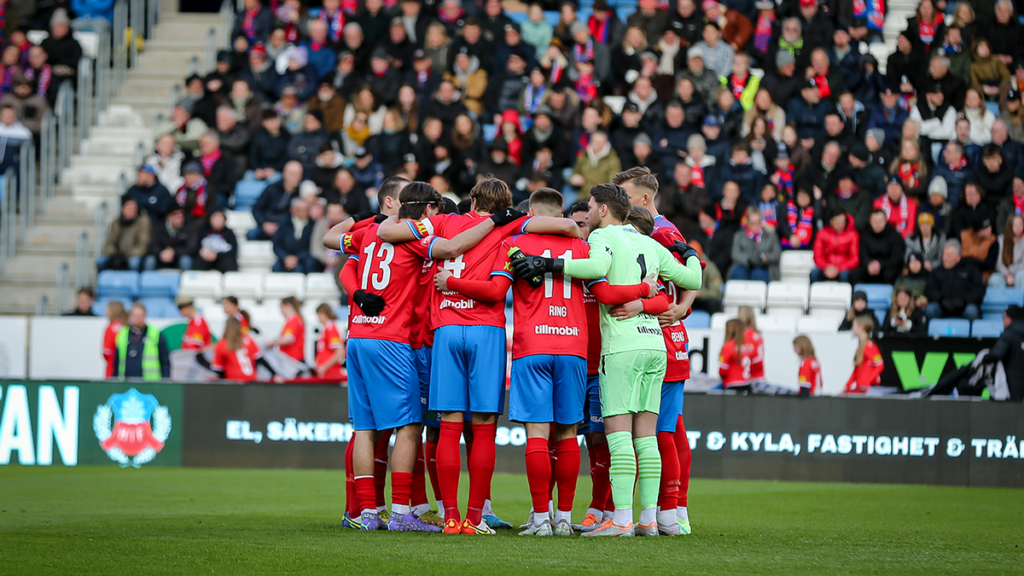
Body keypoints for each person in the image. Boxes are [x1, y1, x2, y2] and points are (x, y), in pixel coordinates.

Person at [373, 178, 581, 534]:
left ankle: (450, 517)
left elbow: (385, 233)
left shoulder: (442, 221)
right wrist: (512, 219)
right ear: (507, 205)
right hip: (487, 332)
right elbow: (568, 225)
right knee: (483, 429)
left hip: (447, 331)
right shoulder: (511, 226)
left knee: (450, 427)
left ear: (472, 199)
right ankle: (475, 518)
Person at [509, 183, 702, 538]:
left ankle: (621, 519)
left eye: (593, 206)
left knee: (618, 436)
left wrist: (548, 263)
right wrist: (685, 252)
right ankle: (651, 519)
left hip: (622, 347)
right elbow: (693, 278)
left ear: (601, 210)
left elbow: (596, 269)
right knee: (647, 437)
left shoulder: (602, 239)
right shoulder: (649, 242)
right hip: (654, 345)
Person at [337, 181, 530, 533]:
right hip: (400, 339)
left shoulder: (370, 233)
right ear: (428, 209)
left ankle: (365, 512)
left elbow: (333, 240)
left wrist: (356, 290)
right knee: (418, 426)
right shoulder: (417, 238)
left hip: (359, 334)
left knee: (366, 428)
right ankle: (406, 512)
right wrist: (499, 220)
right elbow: (454, 246)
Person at [433, 189, 611, 537]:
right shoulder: (582, 247)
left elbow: (497, 287)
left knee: (536, 437)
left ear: (529, 211)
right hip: (574, 346)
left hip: (532, 345)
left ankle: (539, 518)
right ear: (560, 214)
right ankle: (563, 517)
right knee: (568, 436)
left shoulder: (515, 242)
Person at [615, 168, 697, 536]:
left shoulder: (659, 230)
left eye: (625, 196)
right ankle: (672, 510)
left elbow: (694, 270)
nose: (619, 203)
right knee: (670, 429)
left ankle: (668, 509)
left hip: (659, 335)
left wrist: (682, 308)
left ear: (644, 199)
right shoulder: (650, 229)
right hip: (658, 335)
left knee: (661, 431)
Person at [924, 240, 986, 320]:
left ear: (958, 257)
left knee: (972, 311)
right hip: (942, 307)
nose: (944, 259)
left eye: (948, 256)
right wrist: (941, 300)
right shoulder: (937, 271)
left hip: (965, 307)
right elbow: (929, 289)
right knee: (931, 309)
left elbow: (979, 289)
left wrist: (965, 301)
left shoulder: (971, 269)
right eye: (944, 255)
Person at [111, 303, 171, 381]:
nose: (138, 319)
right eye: (135, 315)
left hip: (150, 383)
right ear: (130, 316)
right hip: (125, 383)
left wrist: (165, 381)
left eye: (141, 316)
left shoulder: (155, 334)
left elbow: (165, 361)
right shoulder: (122, 334)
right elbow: (116, 361)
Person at [979, 304, 1024, 401]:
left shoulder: (1009, 334)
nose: (1003, 320)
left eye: (1004, 317)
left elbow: (996, 354)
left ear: (1010, 319)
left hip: (1011, 388)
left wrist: (983, 357)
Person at [851, 209, 907, 285]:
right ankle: (859, 296)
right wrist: (868, 264)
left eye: (881, 221)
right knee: (856, 273)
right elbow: (862, 254)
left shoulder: (895, 235)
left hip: (887, 267)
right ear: (870, 221)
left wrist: (880, 264)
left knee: (890, 274)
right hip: (869, 267)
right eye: (874, 221)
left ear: (886, 221)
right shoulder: (864, 234)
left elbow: (896, 258)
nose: (878, 224)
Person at [98, 197, 150, 272]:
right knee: (101, 261)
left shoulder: (143, 222)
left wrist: (126, 256)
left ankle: (132, 283)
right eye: (129, 208)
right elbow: (109, 244)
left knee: (134, 262)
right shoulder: (116, 223)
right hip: (117, 255)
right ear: (123, 209)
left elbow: (143, 246)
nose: (133, 210)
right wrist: (114, 255)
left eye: (134, 208)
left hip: (133, 256)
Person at [729, 207, 780, 281]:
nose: (756, 225)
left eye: (758, 222)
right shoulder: (739, 236)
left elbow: (776, 254)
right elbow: (735, 254)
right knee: (739, 273)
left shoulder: (771, 236)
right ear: (748, 223)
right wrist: (749, 259)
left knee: (758, 274)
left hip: (766, 268)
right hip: (744, 265)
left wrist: (764, 258)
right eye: (753, 223)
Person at [272, 197, 321, 273]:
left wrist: (297, 258)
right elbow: (277, 245)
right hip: (285, 259)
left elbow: (312, 246)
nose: (303, 212)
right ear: (293, 210)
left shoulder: (313, 225)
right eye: (300, 210)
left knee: (306, 267)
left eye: (305, 210)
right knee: (276, 268)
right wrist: (286, 257)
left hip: (304, 259)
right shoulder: (284, 223)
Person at [811, 207, 859, 282]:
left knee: (845, 275)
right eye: (837, 222)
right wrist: (827, 267)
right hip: (826, 268)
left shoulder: (853, 234)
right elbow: (817, 256)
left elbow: (854, 259)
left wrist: (838, 268)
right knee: (814, 274)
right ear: (831, 221)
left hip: (844, 269)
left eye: (843, 222)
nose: (841, 225)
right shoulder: (822, 234)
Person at [210, 317, 264, 383]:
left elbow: (218, 368)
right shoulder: (249, 339)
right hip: (251, 380)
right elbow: (259, 359)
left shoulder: (222, 344)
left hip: (234, 382)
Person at [145, 207, 197, 271]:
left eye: (182, 214)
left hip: (178, 257)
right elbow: (152, 245)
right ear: (169, 216)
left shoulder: (190, 227)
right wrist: (161, 253)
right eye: (175, 214)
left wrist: (174, 252)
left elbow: (191, 247)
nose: (179, 216)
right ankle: (149, 280)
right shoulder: (159, 226)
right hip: (161, 257)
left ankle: (185, 280)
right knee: (150, 260)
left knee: (186, 260)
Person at [844, 316, 883, 394]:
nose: (852, 329)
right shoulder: (861, 346)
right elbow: (857, 369)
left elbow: (880, 365)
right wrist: (847, 385)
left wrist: (867, 382)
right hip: (861, 388)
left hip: (869, 388)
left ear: (861, 327)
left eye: (854, 326)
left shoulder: (870, 346)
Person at [266, 297, 306, 363]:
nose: (281, 311)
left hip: (292, 360)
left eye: (282, 308)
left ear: (288, 306)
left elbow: (288, 339)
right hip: (294, 359)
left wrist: (272, 342)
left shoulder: (293, 320)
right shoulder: (297, 319)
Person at [990, 214, 1024, 288]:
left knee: (1022, 275)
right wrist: (1006, 274)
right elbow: (997, 262)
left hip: (1017, 272)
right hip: (1002, 274)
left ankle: (1020, 299)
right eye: (1015, 225)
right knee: (994, 279)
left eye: (1020, 225)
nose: (1018, 228)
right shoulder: (1000, 240)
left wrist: (1011, 271)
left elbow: (1023, 263)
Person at [719, 319, 753, 390]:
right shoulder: (749, 345)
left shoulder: (728, 346)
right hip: (748, 385)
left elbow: (722, 371)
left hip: (732, 385)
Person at [315, 303, 346, 380]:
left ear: (322, 313)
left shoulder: (330, 328)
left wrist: (324, 366)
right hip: (326, 373)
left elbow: (339, 352)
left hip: (331, 374)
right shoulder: (326, 328)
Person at [101, 301, 127, 378]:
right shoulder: (125, 327)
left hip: (112, 368)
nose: (105, 311)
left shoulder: (110, 328)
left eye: (108, 309)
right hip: (124, 367)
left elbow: (106, 352)